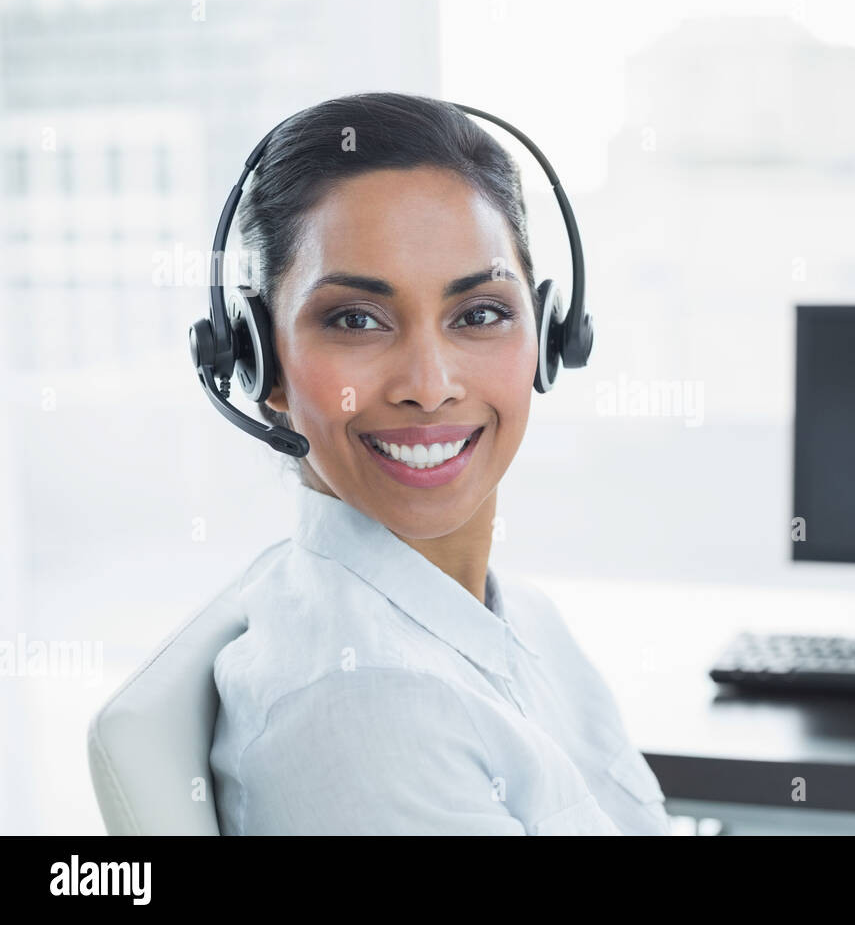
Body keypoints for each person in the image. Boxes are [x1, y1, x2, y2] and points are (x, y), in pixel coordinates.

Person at [207, 93, 670, 834]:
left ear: (551, 338)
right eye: (356, 320)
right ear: (258, 361)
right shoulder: (367, 707)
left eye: (480, 314)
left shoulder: (522, 619)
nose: (429, 386)